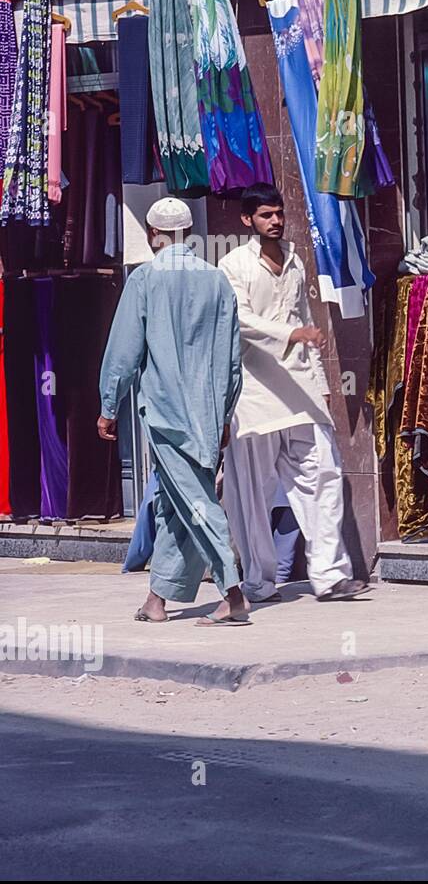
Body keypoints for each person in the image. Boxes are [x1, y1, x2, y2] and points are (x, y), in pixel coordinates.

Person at [98, 197, 249, 626]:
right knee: (173, 505)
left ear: (152, 234)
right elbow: (232, 359)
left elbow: (123, 352)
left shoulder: (145, 279)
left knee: (196, 502)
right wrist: (223, 416)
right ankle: (156, 600)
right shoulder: (217, 280)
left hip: (167, 415)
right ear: (190, 234)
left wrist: (109, 405)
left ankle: (233, 592)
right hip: (206, 412)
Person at [218, 183, 369, 603]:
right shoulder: (233, 265)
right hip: (254, 394)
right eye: (266, 215)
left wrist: (321, 388)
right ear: (248, 220)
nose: (276, 221)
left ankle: (330, 576)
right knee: (251, 493)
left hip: (300, 390)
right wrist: (292, 333)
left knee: (324, 476)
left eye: (279, 213)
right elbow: (240, 320)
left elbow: (308, 327)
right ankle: (260, 582)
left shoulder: (297, 263)